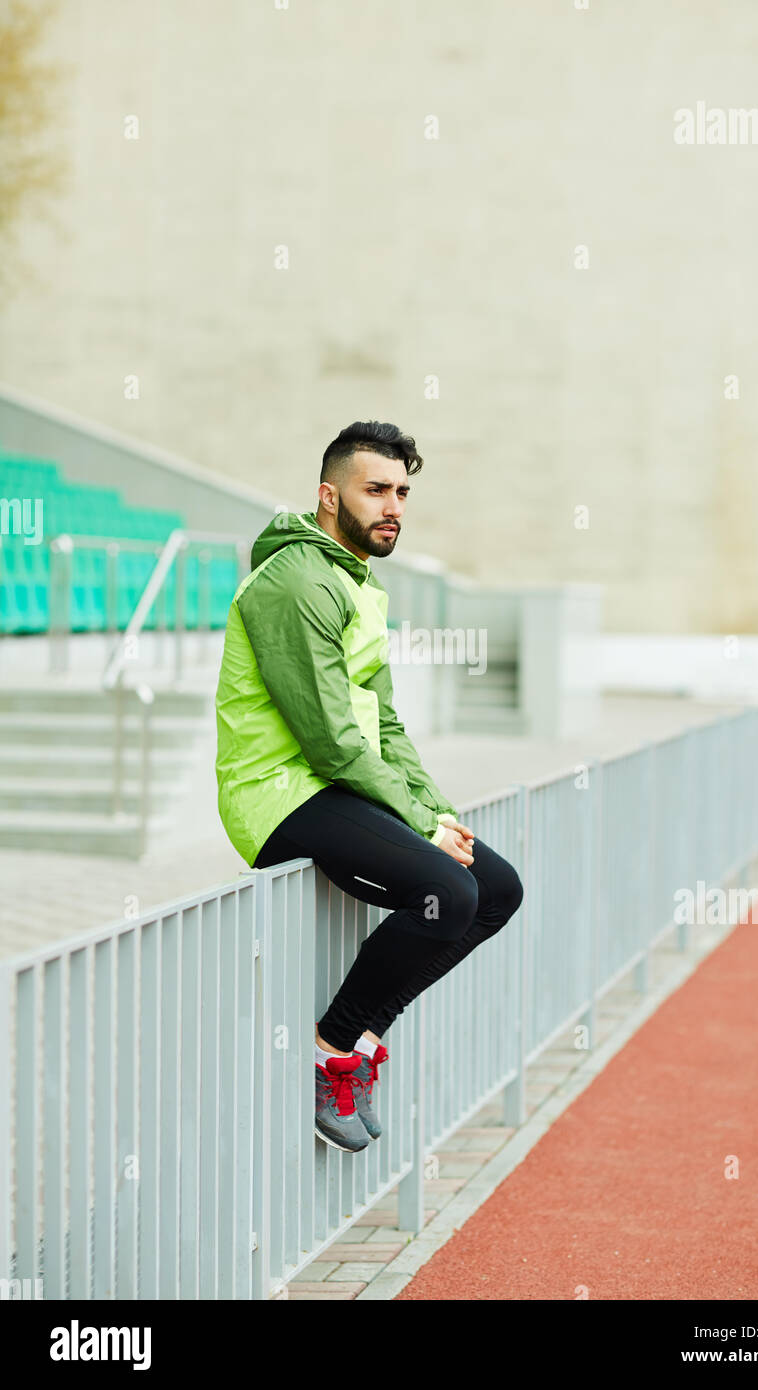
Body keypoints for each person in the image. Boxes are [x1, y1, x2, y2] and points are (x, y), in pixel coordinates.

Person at [214, 420, 524, 1152]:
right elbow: (327, 736)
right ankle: (332, 1050)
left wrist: (437, 811)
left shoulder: (357, 584)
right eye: (376, 489)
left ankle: (363, 1036)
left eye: (402, 492)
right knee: (446, 893)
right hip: (278, 794)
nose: (394, 506)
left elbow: (381, 723)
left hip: (333, 786)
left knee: (496, 890)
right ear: (329, 496)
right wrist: (418, 826)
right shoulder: (293, 583)